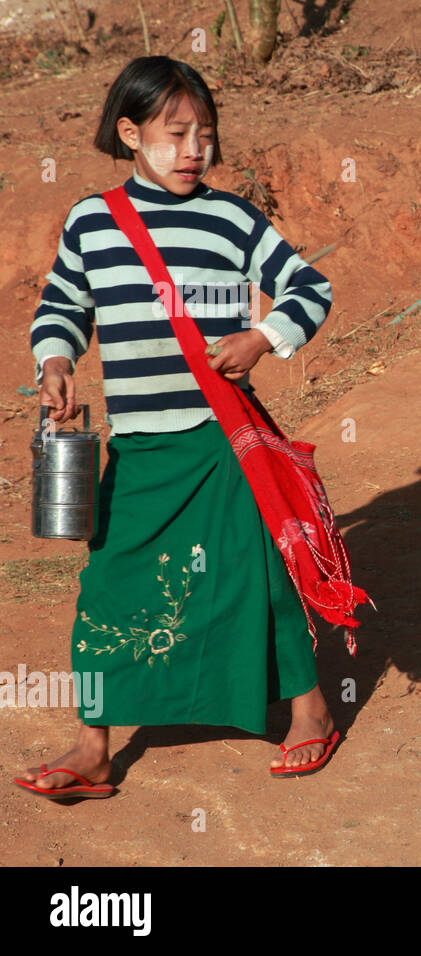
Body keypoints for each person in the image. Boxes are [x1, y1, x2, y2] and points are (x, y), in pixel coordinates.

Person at [18, 56, 340, 800]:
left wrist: (262, 338)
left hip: (223, 440)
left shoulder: (234, 219)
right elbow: (62, 308)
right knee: (108, 585)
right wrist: (57, 363)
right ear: (130, 133)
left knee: (262, 573)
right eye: (176, 133)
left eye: (206, 134)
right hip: (136, 447)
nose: (195, 149)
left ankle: (311, 712)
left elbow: (309, 287)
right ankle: (92, 748)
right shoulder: (93, 222)